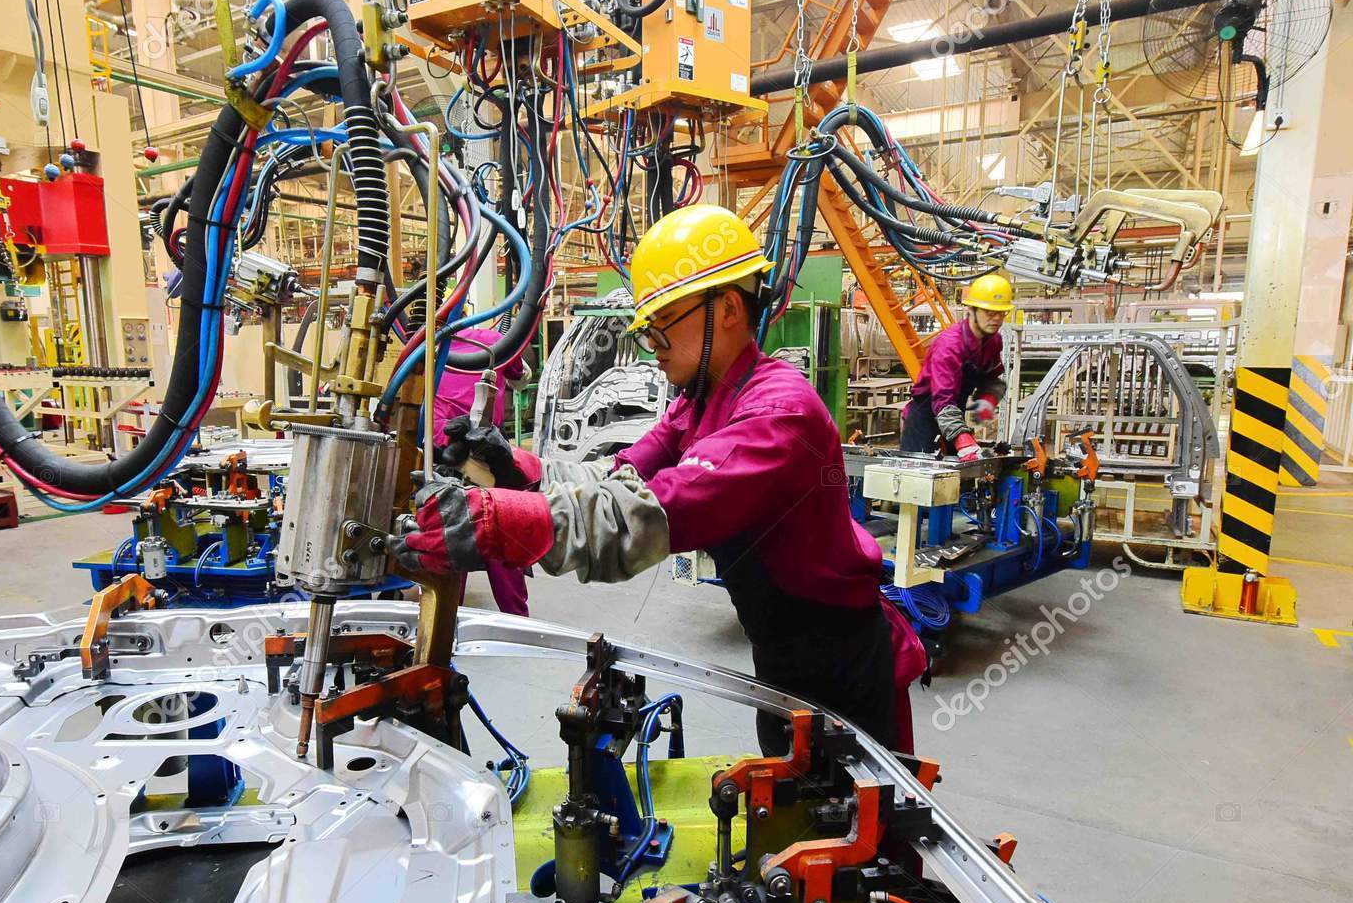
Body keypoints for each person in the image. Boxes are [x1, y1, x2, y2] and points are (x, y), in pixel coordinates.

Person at [392, 205, 925, 755]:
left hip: (843, 667)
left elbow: (657, 510)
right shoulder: (697, 404)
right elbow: (618, 475)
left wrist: (504, 521)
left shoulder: (778, 414)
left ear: (731, 309)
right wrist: (517, 471)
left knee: (861, 827)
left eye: (662, 325)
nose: (654, 346)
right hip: (781, 659)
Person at [431, 323, 530, 615]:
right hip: (486, 448)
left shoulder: (424, 347)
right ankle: (517, 621)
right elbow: (520, 377)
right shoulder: (496, 342)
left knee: (452, 540)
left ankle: (444, 624)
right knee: (501, 536)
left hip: (440, 451)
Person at [900, 273, 1013, 461]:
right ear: (972, 310)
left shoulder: (993, 341)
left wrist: (987, 397)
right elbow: (942, 400)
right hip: (924, 420)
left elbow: (992, 378)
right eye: (990, 313)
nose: (996, 319)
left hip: (953, 416)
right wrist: (963, 441)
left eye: (1001, 313)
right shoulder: (949, 346)